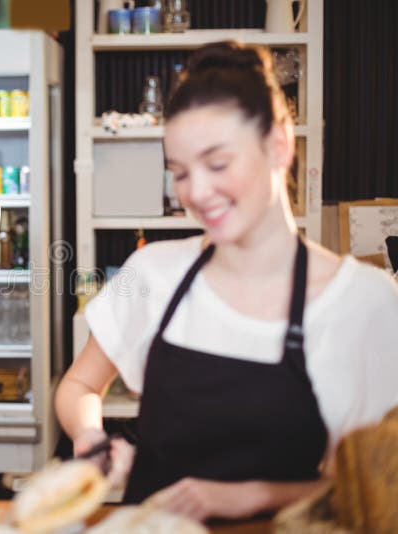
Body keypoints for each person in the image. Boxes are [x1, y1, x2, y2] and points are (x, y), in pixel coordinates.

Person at [55, 41, 398, 521]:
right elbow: (79, 387)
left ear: (280, 144)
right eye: (179, 173)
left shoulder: (364, 303)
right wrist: (92, 439)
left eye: (217, 165)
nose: (196, 192)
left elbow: (372, 486)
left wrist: (255, 495)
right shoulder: (154, 272)